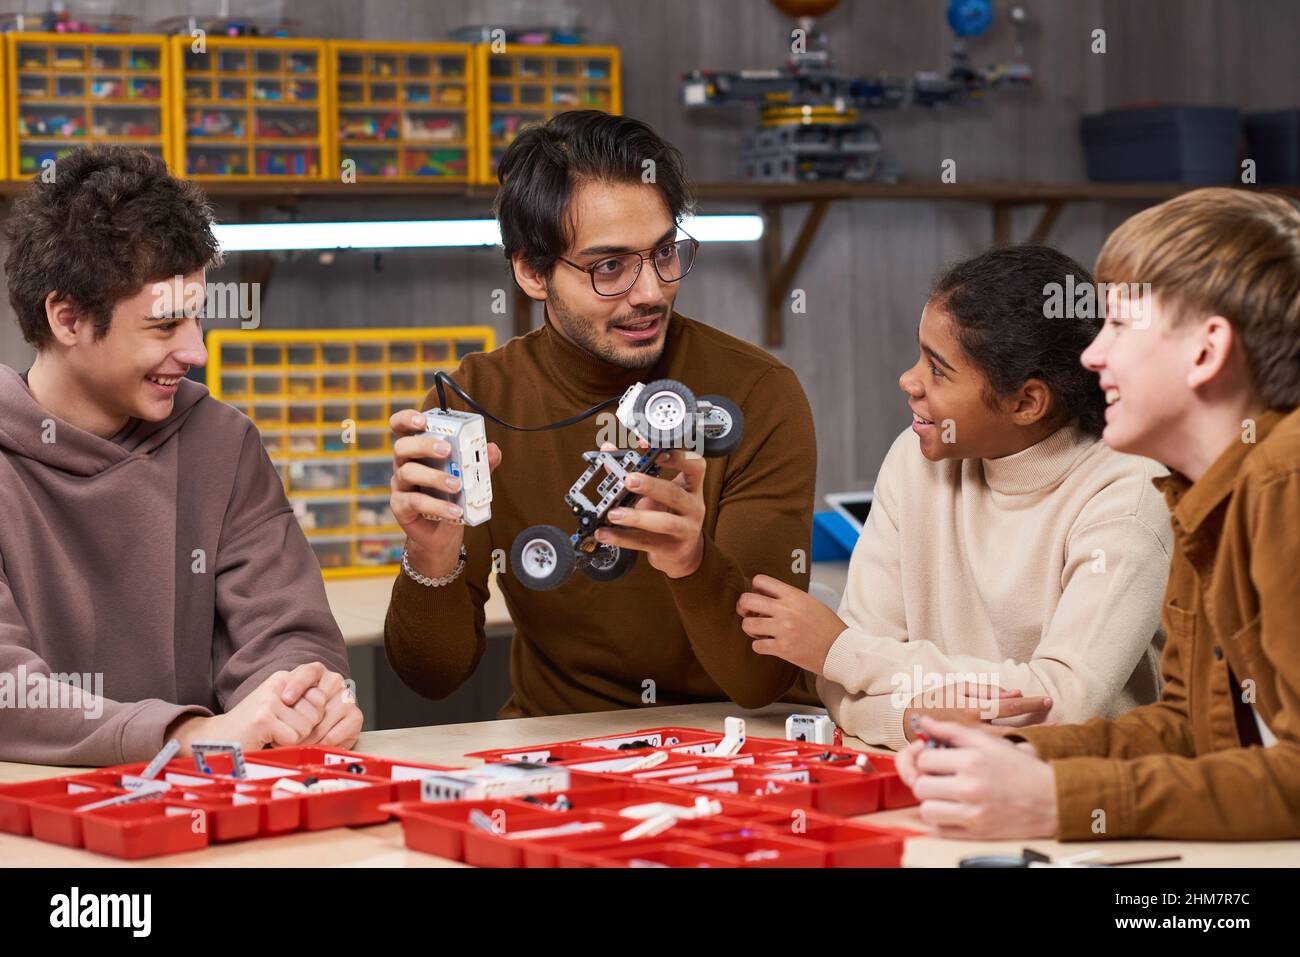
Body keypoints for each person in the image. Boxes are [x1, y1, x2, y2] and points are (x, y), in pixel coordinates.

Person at [898, 188, 1300, 841]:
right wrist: (1021, 757)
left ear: (1206, 351)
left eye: (1120, 323)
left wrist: (1062, 799)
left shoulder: (1285, 484)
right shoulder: (1201, 491)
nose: (1091, 355)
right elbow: (1192, 728)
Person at [384, 111, 816, 716]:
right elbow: (432, 677)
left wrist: (692, 566)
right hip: (554, 741)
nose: (650, 292)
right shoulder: (472, 403)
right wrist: (430, 558)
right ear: (532, 271)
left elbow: (760, 681)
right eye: (609, 266)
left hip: (738, 742)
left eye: (664, 253)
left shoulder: (756, 394)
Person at [0, 146, 360, 766]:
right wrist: (184, 736)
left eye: (196, 318)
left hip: (200, 813)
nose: (196, 352)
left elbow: (287, 633)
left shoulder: (223, 444)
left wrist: (300, 699)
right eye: (166, 326)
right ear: (67, 318)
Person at [737, 244, 1171, 749]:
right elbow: (839, 688)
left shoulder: (1129, 494)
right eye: (919, 354)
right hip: (941, 776)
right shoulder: (914, 457)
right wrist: (916, 721)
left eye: (938, 369)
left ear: (1027, 402)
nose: (908, 380)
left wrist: (842, 651)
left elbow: (1061, 702)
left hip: (1089, 797)